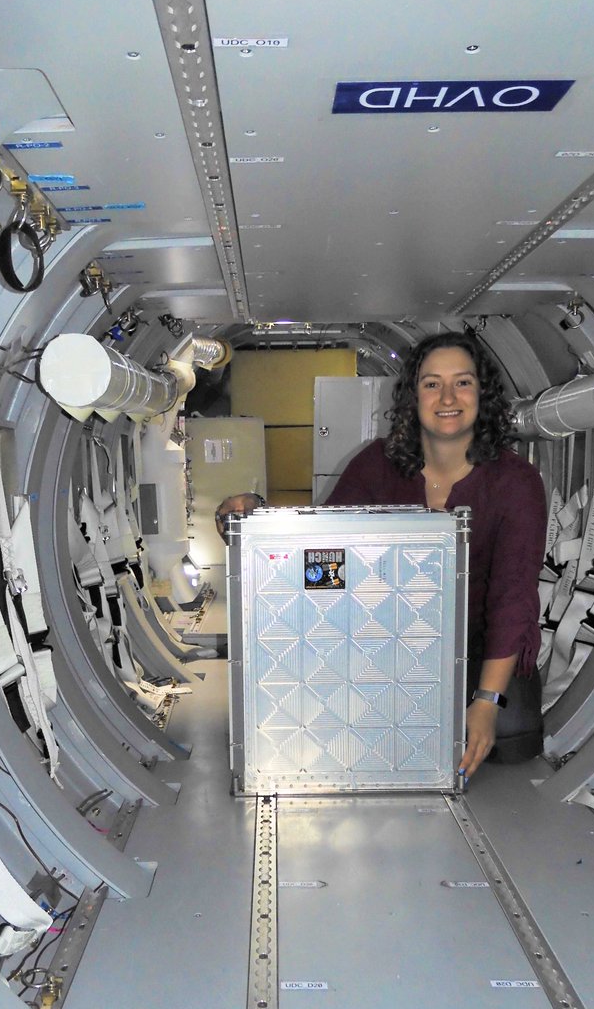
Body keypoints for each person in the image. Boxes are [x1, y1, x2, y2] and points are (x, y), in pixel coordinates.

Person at [215, 330, 548, 781]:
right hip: (384, 636)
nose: (447, 396)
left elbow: (513, 599)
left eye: (462, 382)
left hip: (477, 644)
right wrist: (256, 522)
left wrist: (486, 702)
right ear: (413, 396)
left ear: (482, 393)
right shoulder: (378, 464)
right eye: (432, 383)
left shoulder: (516, 483)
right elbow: (323, 555)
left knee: (512, 732)